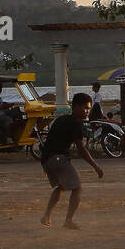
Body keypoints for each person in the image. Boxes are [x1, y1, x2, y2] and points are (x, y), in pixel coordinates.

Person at [39, 92, 104, 229]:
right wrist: (96, 166)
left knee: (61, 188)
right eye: (84, 108)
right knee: (77, 188)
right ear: (75, 107)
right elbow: (82, 149)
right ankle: (68, 220)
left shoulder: (61, 119)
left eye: (88, 109)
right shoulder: (75, 123)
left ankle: (46, 216)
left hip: (48, 159)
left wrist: (45, 164)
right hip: (58, 158)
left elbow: (47, 143)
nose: (87, 111)